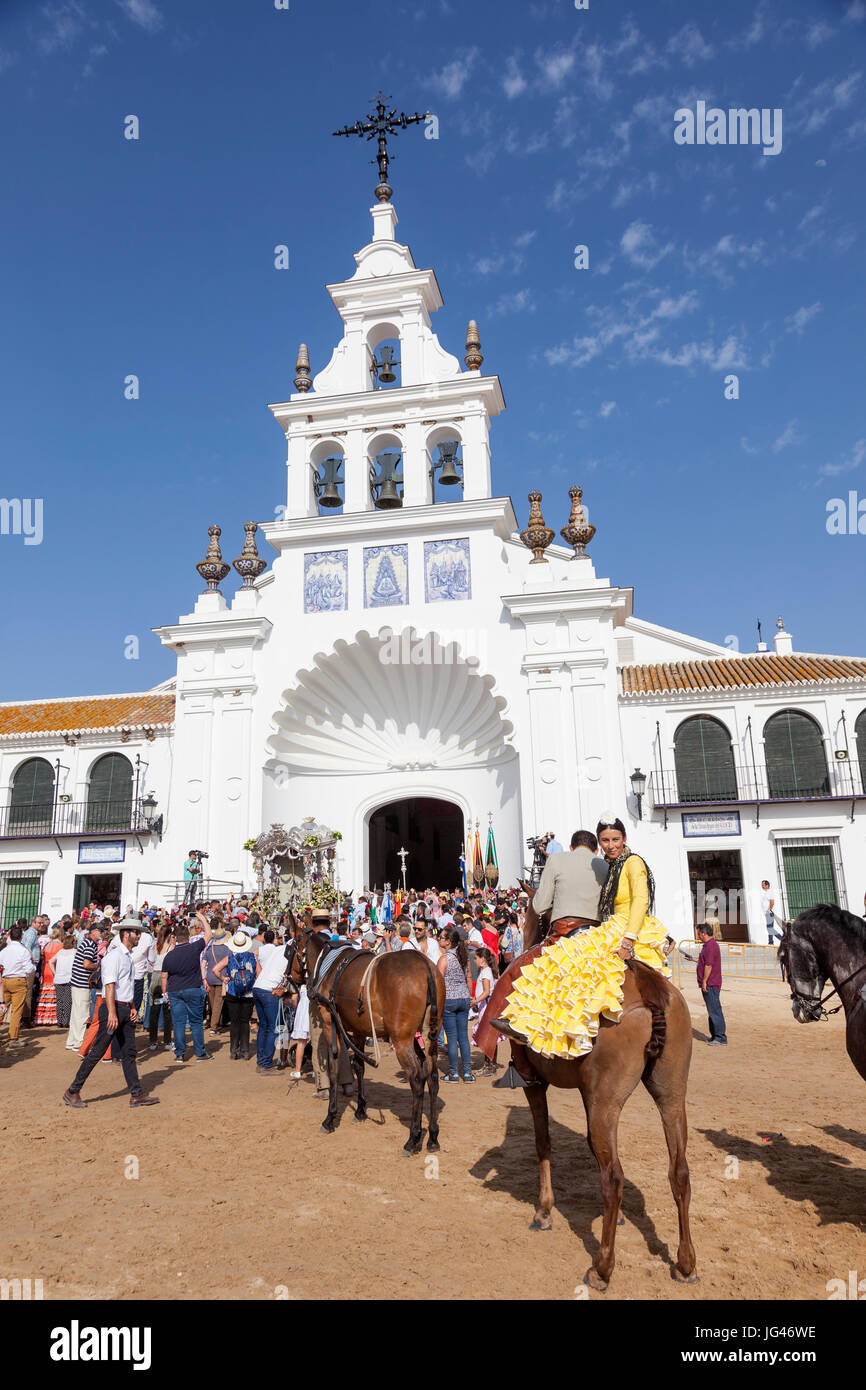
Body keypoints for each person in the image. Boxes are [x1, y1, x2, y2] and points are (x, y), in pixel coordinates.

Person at [492, 817, 669, 1060]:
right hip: (612, 925)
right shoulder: (612, 864)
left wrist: (628, 941)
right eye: (605, 840)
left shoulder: (632, 861)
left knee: (559, 961)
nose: (611, 845)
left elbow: (641, 901)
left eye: (615, 839)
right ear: (598, 844)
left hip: (624, 928)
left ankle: (526, 1025)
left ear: (624, 838)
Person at [62, 917, 159, 1109]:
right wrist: (113, 1013)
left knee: (129, 1052)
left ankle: (136, 1093)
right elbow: (109, 985)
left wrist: (132, 1007)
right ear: (126, 934)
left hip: (123, 1008)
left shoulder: (126, 957)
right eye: (136, 932)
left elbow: (125, 986)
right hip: (113, 1008)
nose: (139, 936)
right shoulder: (115, 956)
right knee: (98, 1051)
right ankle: (73, 1090)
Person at [162, 916, 213, 1062]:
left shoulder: (169, 956)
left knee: (178, 1023)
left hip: (174, 990)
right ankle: (200, 1053)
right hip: (192, 988)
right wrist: (203, 918)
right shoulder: (194, 947)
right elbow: (209, 934)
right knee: (196, 1022)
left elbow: (164, 976)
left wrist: (165, 993)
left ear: (175, 938)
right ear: (189, 937)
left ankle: (179, 1053)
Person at [213, 929, 258, 1060]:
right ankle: (245, 1051)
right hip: (248, 993)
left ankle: (233, 1050)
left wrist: (223, 979)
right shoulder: (252, 957)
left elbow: (215, 969)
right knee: (245, 1022)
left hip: (232, 991)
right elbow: (259, 973)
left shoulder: (230, 958)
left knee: (234, 1022)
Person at [437, 926, 474, 1083]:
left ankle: (453, 1073)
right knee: (463, 1037)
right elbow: (469, 977)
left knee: (452, 1038)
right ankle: (467, 1073)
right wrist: (471, 997)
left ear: (448, 941)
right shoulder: (463, 956)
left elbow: (438, 982)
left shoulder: (444, 959)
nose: (439, 939)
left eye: (442, 937)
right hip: (464, 998)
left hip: (450, 1000)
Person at [252, 936, 290, 1074]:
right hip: (269, 990)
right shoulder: (290, 952)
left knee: (264, 1026)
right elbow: (288, 974)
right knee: (273, 1028)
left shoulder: (278, 949)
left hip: (258, 987)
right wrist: (285, 989)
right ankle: (266, 1064)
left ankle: (261, 1062)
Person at [66, 921, 101, 1051]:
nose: (101, 933)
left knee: (76, 1013)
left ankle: (72, 1041)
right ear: (93, 931)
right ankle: (78, 1042)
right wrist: (98, 966)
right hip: (81, 983)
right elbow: (86, 964)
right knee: (81, 1014)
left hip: (77, 982)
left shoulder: (87, 943)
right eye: (100, 930)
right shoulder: (90, 944)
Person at [0, 924, 36, 1048]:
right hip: (18, 981)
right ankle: (13, 1039)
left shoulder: (4, 951)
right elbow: (29, 968)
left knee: (2, 1008)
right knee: (16, 1011)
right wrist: (34, 966)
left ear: (10, 936)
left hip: (5, 980)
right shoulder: (23, 951)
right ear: (21, 937)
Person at [697, 923, 727, 1045]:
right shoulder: (709, 946)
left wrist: (704, 981)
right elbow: (706, 962)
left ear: (703, 933)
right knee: (712, 1009)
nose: (698, 936)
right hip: (710, 982)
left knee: (714, 1010)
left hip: (711, 983)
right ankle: (715, 1035)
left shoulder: (710, 946)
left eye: (699, 933)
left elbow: (708, 965)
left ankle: (720, 1037)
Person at [202, 919, 230, 1036]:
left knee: (213, 1004)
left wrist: (204, 979)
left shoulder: (209, 949)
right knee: (218, 1004)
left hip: (209, 977)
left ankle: (215, 1024)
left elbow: (203, 964)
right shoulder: (227, 949)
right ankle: (214, 1027)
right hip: (220, 977)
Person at [34, 928, 63, 1025]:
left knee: (44, 992)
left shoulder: (47, 945)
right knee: (53, 992)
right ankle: (52, 1017)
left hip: (45, 968)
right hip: (54, 968)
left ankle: (42, 1016)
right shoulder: (60, 946)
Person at [52, 932, 77, 1030]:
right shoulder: (74, 951)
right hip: (69, 978)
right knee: (67, 1001)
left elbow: (51, 961)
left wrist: (55, 972)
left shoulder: (60, 952)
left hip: (58, 978)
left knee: (59, 1001)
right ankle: (66, 1021)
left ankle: (60, 1021)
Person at [760, 881, 779, 945]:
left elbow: (772, 902)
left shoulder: (770, 892)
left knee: (770, 928)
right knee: (770, 928)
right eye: (762, 885)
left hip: (770, 913)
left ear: (767, 885)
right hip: (767, 913)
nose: (762, 886)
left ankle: (782, 939)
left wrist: (769, 910)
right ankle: (771, 942)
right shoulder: (766, 893)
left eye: (763, 885)